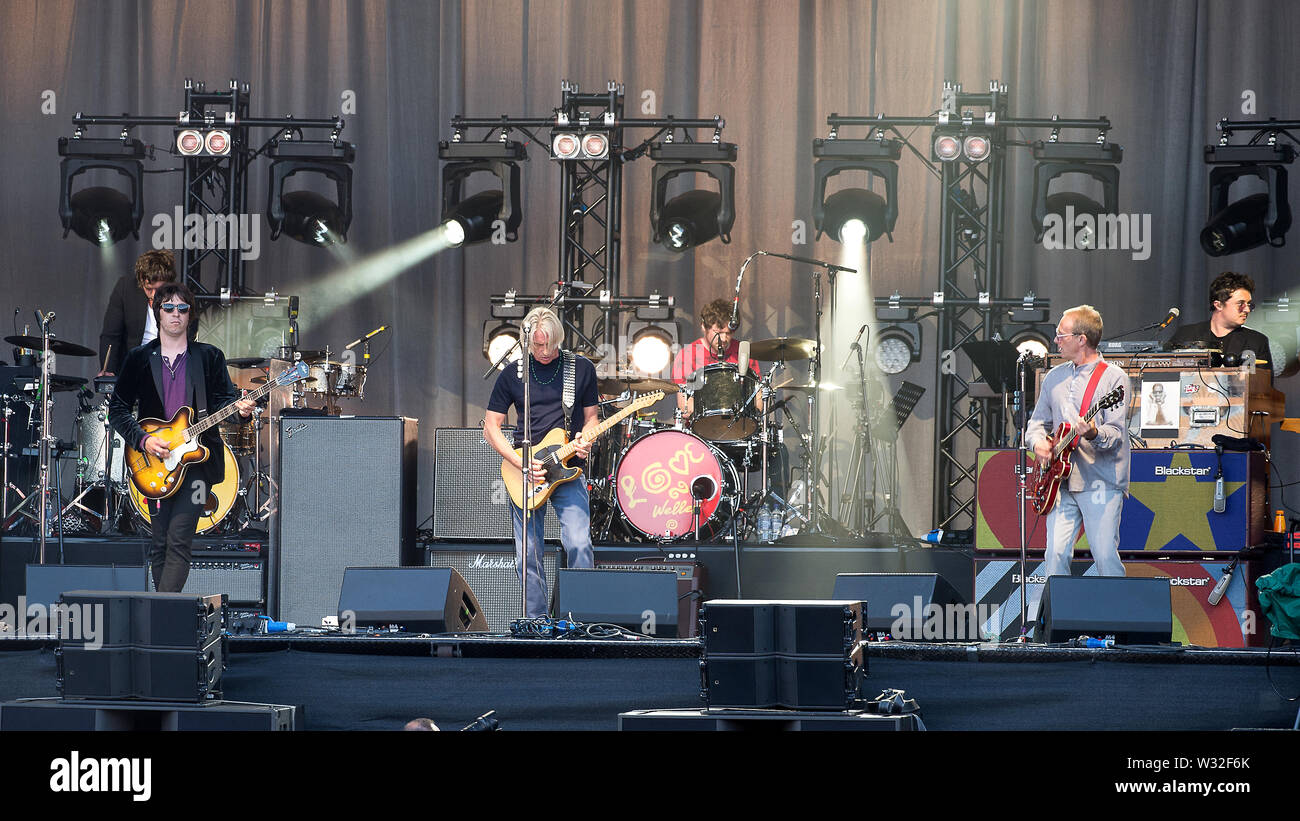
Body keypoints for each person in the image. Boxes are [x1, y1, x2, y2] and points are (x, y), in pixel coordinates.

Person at [108, 283, 253, 592]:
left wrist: (241, 412)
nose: (176, 314)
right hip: (155, 462)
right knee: (159, 542)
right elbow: (117, 410)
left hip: (198, 466)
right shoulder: (138, 358)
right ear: (156, 312)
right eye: (169, 308)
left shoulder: (210, 357)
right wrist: (144, 441)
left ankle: (161, 614)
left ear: (191, 314)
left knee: (179, 538)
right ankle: (163, 615)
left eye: (182, 308)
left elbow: (226, 402)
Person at [483, 307, 599, 619]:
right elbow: (491, 426)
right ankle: (536, 623)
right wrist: (518, 461)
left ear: (559, 339)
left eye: (548, 344)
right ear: (526, 341)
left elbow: (591, 419)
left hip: (567, 468)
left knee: (578, 542)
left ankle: (583, 619)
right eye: (536, 345)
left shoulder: (581, 369)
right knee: (527, 554)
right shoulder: (514, 374)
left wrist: (587, 438)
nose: (543, 351)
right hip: (525, 470)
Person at [1027, 305, 1130, 582]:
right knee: (1055, 555)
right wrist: (1038, 443)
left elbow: (1117, 432)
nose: (1056, 341)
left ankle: (1117, 625)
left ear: (1081, 339)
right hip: (1060, 483)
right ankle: (1058, 624)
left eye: (1061, 335)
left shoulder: (1114, 378)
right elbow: (1037, 424)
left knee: (1105, 555)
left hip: (1100, 480)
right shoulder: (1054, 377)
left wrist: (1094, 434)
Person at [98, 249, 197, 377]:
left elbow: (188, 337)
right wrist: (109, 370)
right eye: (149, 289)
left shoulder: (181, 296)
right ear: (141, 281)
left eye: (160, 288)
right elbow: (111, 335)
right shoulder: (125, 288)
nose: (155, 294)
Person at [669, 298, 761, 417]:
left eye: (728, 333)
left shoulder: (743, 352)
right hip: (700, 429)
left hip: (740, 426)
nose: (723, 339)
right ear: (703, 326)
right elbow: (684, 407)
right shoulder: (687, 355)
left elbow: (758, 396)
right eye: (718, 332)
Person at [1167, 271, 1271, 367]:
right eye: (1240, 304)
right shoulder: (1186, 335)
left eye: (1248, 304)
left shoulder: (1257, 342)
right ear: (1219, 305)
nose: (1247, 309)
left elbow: (1263, 384)